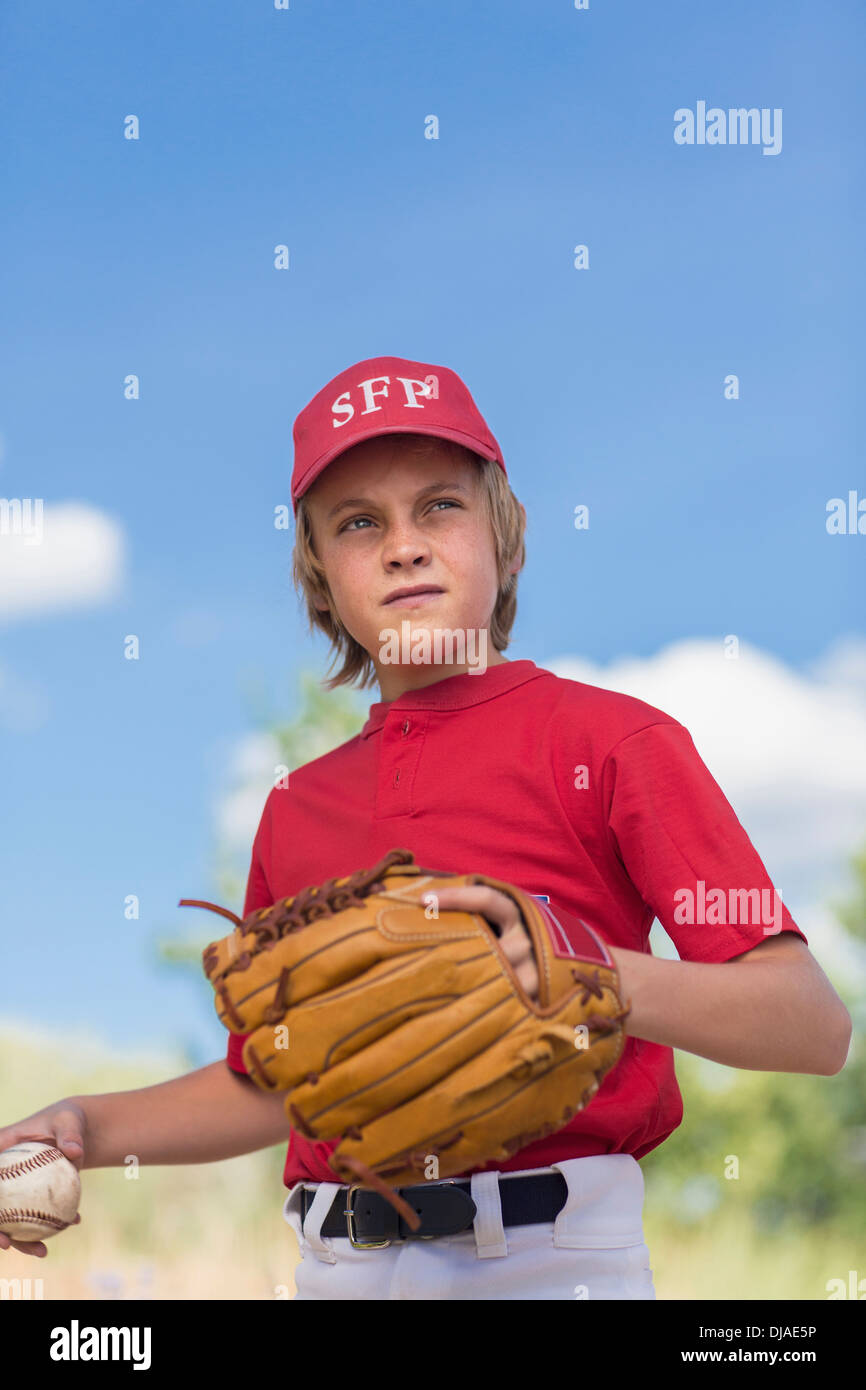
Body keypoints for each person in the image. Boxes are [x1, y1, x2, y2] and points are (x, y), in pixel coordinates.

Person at [0, 354, 852, 1301]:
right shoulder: (295, 806)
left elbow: (809, 1026)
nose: (404, 545)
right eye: (358, 522)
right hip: (334, 1268)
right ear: (319, 577)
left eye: (439, 505)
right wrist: (85, 1124)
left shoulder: (616, 741)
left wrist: (594, 973)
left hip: (545, 1260)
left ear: (509, 537)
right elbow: (275, 1084)